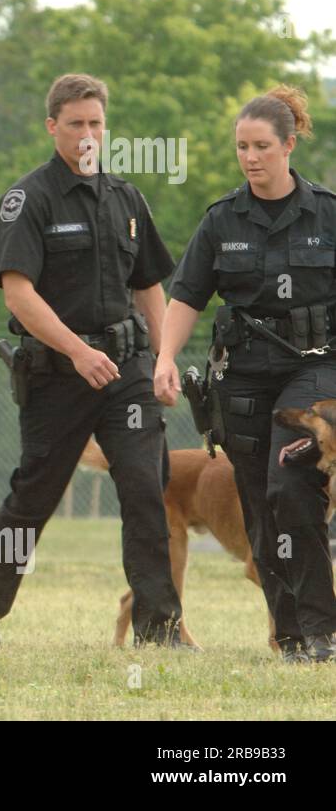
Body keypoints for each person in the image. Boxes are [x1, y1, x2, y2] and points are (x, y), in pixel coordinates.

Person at [0, 73, 183, 646]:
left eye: (96, 123)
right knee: (35, 496)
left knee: (145, 488)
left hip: (126, 371)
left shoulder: (127, 198)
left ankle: (159, 627)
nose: (87, 134)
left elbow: (149, 285)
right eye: (75, 123)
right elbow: (19, 293)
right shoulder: (28, 199)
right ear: (53, 126)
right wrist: (78, 353)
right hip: (58, 373)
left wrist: (164, 358)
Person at [156, 85, 336, 664]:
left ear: (288, 145)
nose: (251, 157)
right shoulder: (221, 220)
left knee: (291, 484)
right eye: (241, 147)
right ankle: (289, 636)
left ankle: (322, 630)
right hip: (244, 378)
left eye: (261, 145)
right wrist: (162, 357)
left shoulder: (328, 214)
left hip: (314, 371)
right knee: (259, 503)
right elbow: (185, 296)